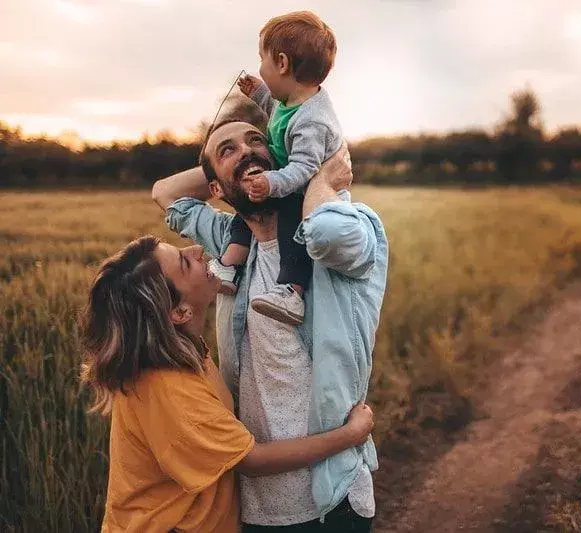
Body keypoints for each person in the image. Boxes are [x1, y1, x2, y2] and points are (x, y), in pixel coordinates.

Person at [151, 119, 388, 531]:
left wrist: (317, 173)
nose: (246, 150)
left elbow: (327, 231)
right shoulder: (232, 245)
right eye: (230, 149)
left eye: (257, 141)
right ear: (215, 192)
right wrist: (226, 169)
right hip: (254, 506)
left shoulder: (349, 227)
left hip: (330, 501)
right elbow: (166, 194)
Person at [79, 235, 374, 532]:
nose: (196, 249)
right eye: (184, 262)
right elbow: (252, 460)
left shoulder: (184, 352)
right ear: (180, 312)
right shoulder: (168, 388)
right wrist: (350, 435)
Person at [211, 11, 344, 327]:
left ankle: (291, 291)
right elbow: (275, 110)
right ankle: (229, 268)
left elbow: (304, 168)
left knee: (291, 228)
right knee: (249, 210)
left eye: (262, 59)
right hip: (286, 180)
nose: (260, 66)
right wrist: (257, 91)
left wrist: (271, 182)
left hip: (309, 194)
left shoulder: (313, 120)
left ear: (282, 63)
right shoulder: (291, 101)